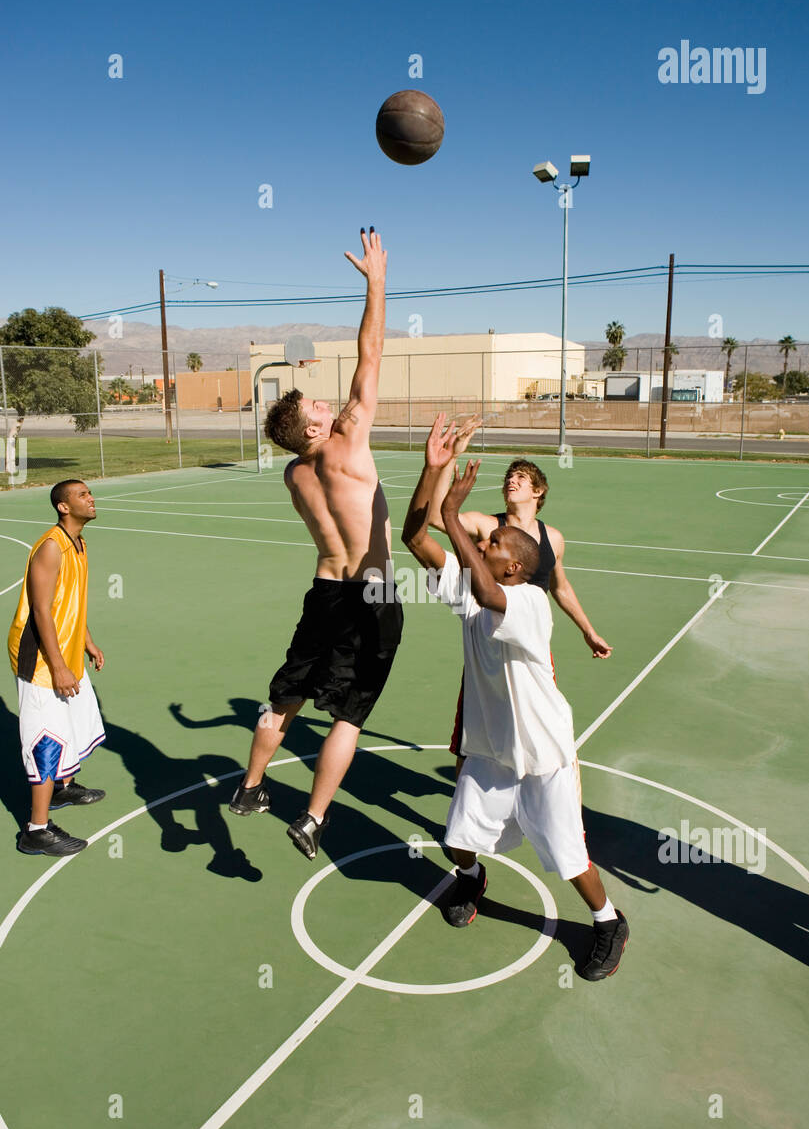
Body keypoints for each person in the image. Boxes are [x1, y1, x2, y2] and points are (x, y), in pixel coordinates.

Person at [402, 416, 628, 981]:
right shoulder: (475, 586)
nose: (486, 541)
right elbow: (413, 538)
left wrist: (453, 514)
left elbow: (483, 583)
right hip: (489, 749)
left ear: (516, 567)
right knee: (458, 841)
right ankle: (471, 879)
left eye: (494, 543)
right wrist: (432, 471)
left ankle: (607, 922)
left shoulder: (527, 603)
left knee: (568, 856)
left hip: (543, 752)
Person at [229, 228, 403, 860]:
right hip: (372, 592)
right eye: (316, 404)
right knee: (350, 715)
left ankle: (250, 788)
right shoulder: (348, 441)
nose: (329, 402)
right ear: (312, 425)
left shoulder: (292, 472)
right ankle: (312, 818)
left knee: (287, 696)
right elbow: (373, 352)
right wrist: (377, 282)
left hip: (324, 592)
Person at [427, 422, 612, 767]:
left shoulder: (552, 538)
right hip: (488, 640)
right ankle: (464, 813)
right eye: (509, 478)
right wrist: (451, 457)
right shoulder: (488, 526)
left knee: (545, 733)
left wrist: (588, 630)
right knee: (471, 737)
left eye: (521, 478)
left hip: (529, 645)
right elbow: (439, 518)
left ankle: (555, 809)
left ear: (538, 491)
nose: (511, 481)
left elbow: (561, 587)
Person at [7, 479, 107, 857]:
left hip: (66, 653)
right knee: (46, 738)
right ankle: (36, 829)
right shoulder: (51, 547)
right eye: (82, 495)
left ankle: (64, 787)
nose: (91, 499)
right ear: (63, 507)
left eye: (89, 493)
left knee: (75, 723)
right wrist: (60, 666)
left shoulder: (78, 543)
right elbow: (41, 609)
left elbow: (71, 602)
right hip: (41, 662)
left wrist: (86, 641)